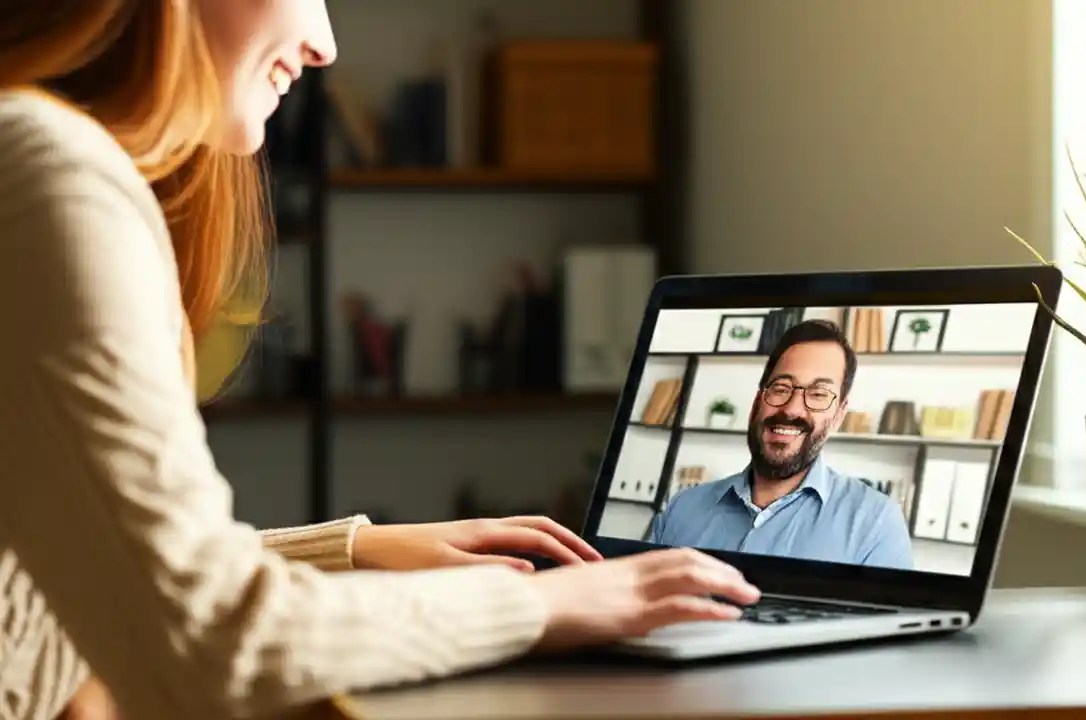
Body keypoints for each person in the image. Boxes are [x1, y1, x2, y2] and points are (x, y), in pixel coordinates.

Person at [0, 2, 761, 719]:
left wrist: (357, 552)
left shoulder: (36, 156)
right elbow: (207, 643)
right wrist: (560, 605)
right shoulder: (48, 172)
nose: (325, 45)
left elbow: (91, 573)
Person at [646, 320, 914, 570]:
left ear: (838, 416)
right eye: (781, 388)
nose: (792, 409)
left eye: (819, 394)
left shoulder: (877, 524)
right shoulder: (682, 508)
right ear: (756, 403)